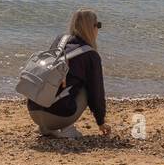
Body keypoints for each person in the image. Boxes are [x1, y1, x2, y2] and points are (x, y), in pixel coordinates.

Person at [27, 8, 111, 139]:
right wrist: (101, 122)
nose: (98, 29)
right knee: (85, 87)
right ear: (92, 27)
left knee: (59, 81)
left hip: (34, 111)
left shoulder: (61, 40)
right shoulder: (90, 55)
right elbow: (96, 93)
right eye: (98, 25)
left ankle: (45, 127)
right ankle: (66, 129)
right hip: (59, 116)